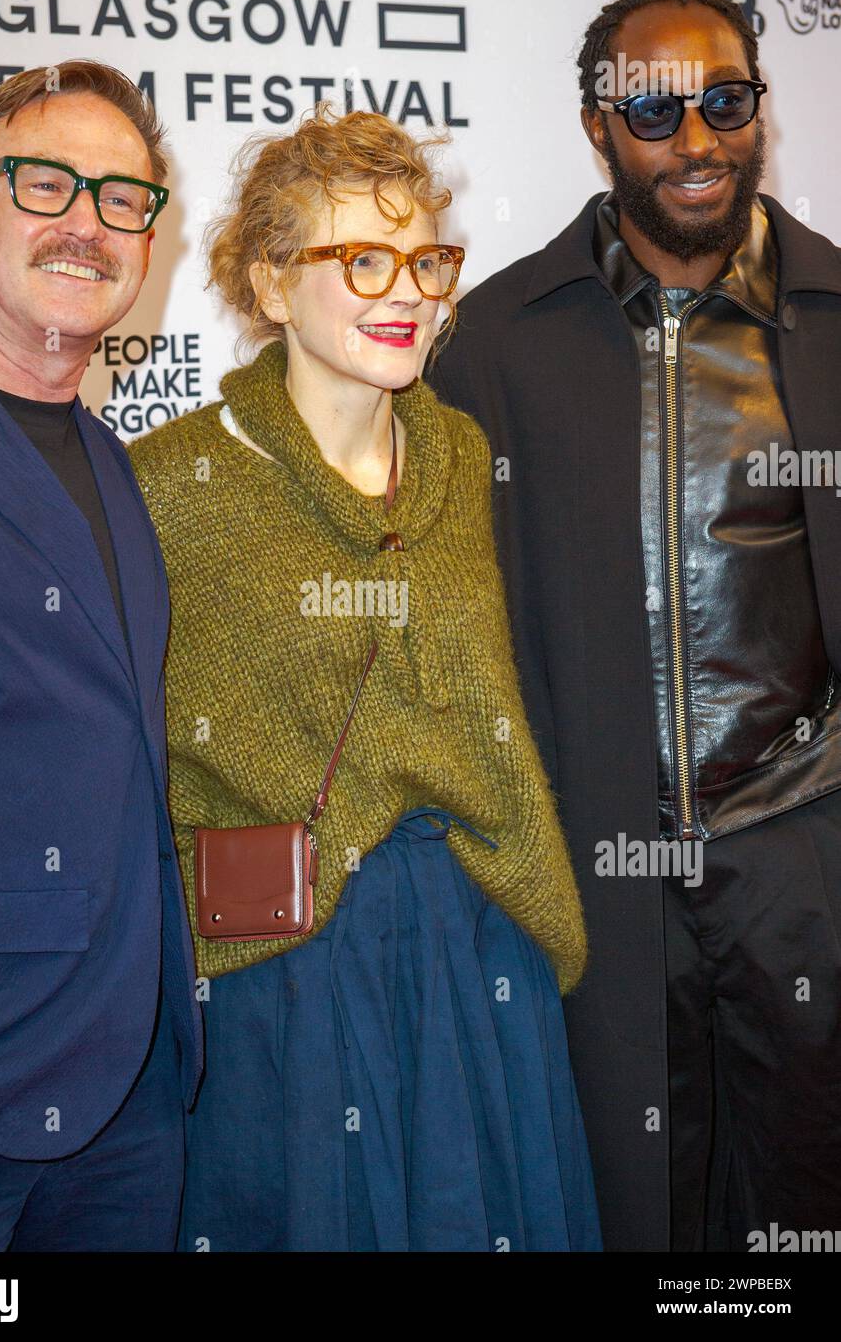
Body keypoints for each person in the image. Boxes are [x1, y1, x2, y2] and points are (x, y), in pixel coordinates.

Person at [128, 103, 601, 1253]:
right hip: (283, 968)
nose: (410, 293)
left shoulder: (459, 454)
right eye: (362, 259)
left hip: (473, 950)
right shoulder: (168, 484)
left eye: (426, 260)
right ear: (270, 283)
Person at [428, 0, 841, 1252]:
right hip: (593, 863)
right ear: (596, 126)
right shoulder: (495, 339)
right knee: (627, 1205)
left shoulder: (833, 318)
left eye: (725, 101)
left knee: (803, 1200)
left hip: (798, 851)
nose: (696, 139)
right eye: (653, 111)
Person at [0, 61, 201, 1250]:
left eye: (123, 198)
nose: (86, 223)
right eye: (45, 182)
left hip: (128, 1099)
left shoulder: (119, 467)